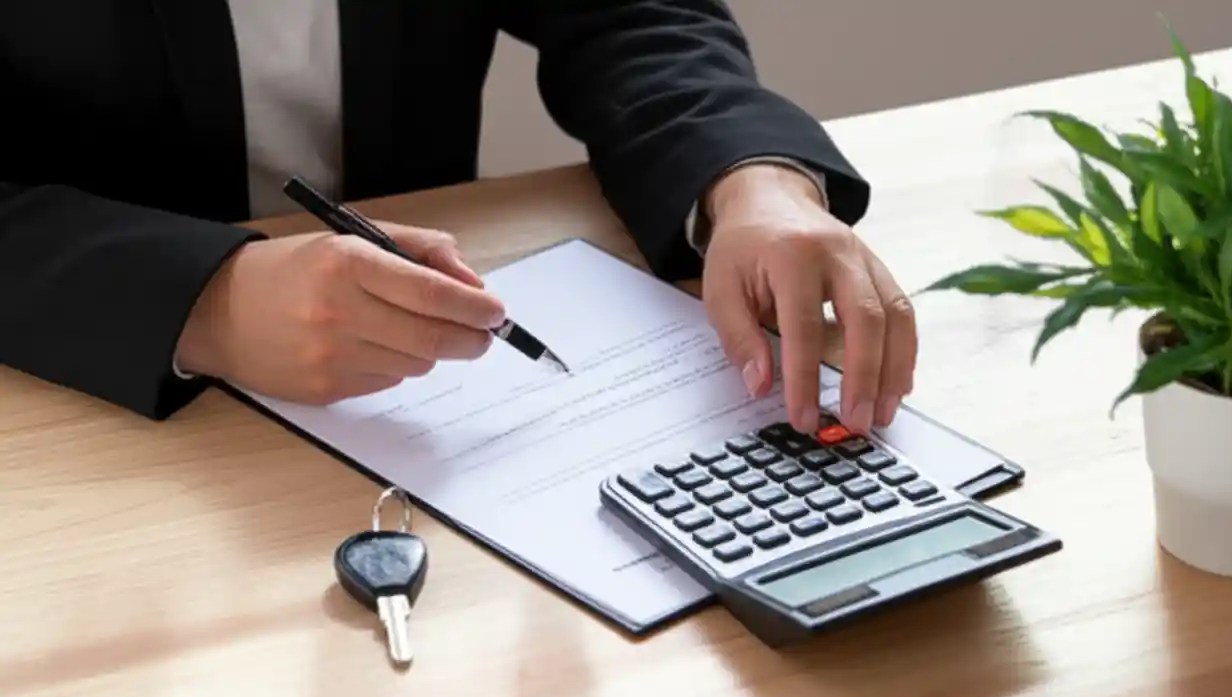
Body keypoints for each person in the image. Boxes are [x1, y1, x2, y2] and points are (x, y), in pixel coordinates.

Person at [0, 0, 916, 436]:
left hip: (415, 424)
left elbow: (633, 14)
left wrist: (748, 178)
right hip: (90, 419)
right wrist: (205, 299)